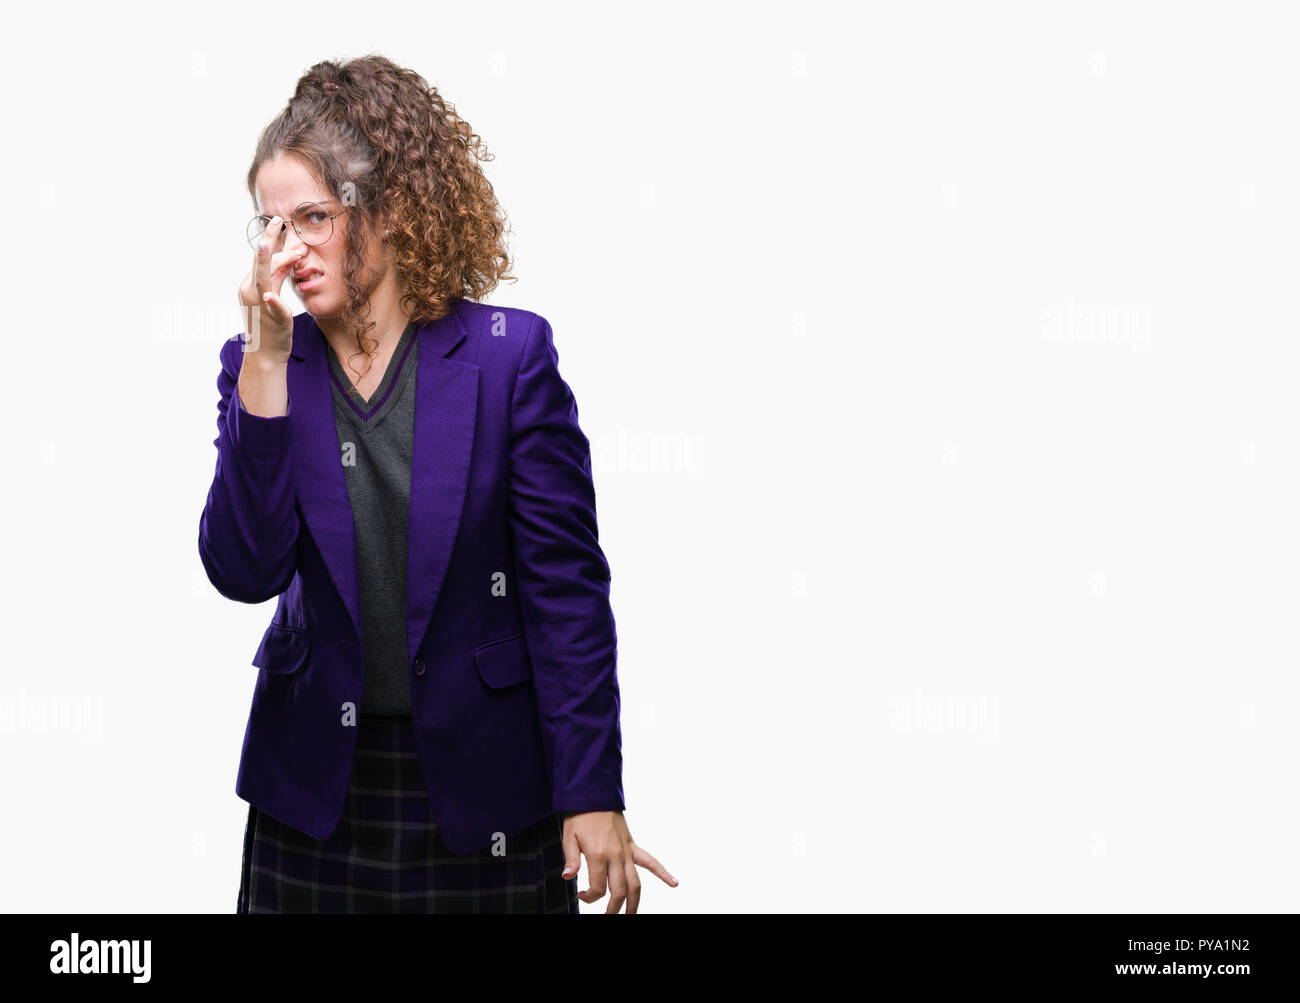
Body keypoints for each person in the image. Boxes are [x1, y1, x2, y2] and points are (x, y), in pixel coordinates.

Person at [199, 54, 676, 913]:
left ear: (389, 210)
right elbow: (244, 570)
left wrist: (592, 787)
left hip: (485, 785)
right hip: (313, 790)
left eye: (314, 217)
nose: (287, 252)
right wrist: (265, 370)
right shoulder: (262, 364)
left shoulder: (508, 355)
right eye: (270, 226)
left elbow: (564, 593)